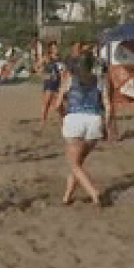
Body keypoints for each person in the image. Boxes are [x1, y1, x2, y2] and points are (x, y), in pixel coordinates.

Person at [51, 46, 113, 207]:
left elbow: (57, 105)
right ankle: (67, 197)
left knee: (73, 163)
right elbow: (109, 106)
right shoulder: (100, 80)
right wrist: (107, 126)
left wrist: (63, 116)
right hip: (94, 120)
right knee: (78, 162)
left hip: (74, 119)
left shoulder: (70, 78)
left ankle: (94, 193)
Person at [39, 40, 64, 128]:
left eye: (56, 47)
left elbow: (62, 72)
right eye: (53, 47)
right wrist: (43, 74)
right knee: (46, 103)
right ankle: (42, 122)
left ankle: (62, 120)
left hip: (58, 83)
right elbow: (40, 69)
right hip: (49, 83)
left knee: (58, 104)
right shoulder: (47, 59)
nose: (55, 49)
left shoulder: (60, 59)